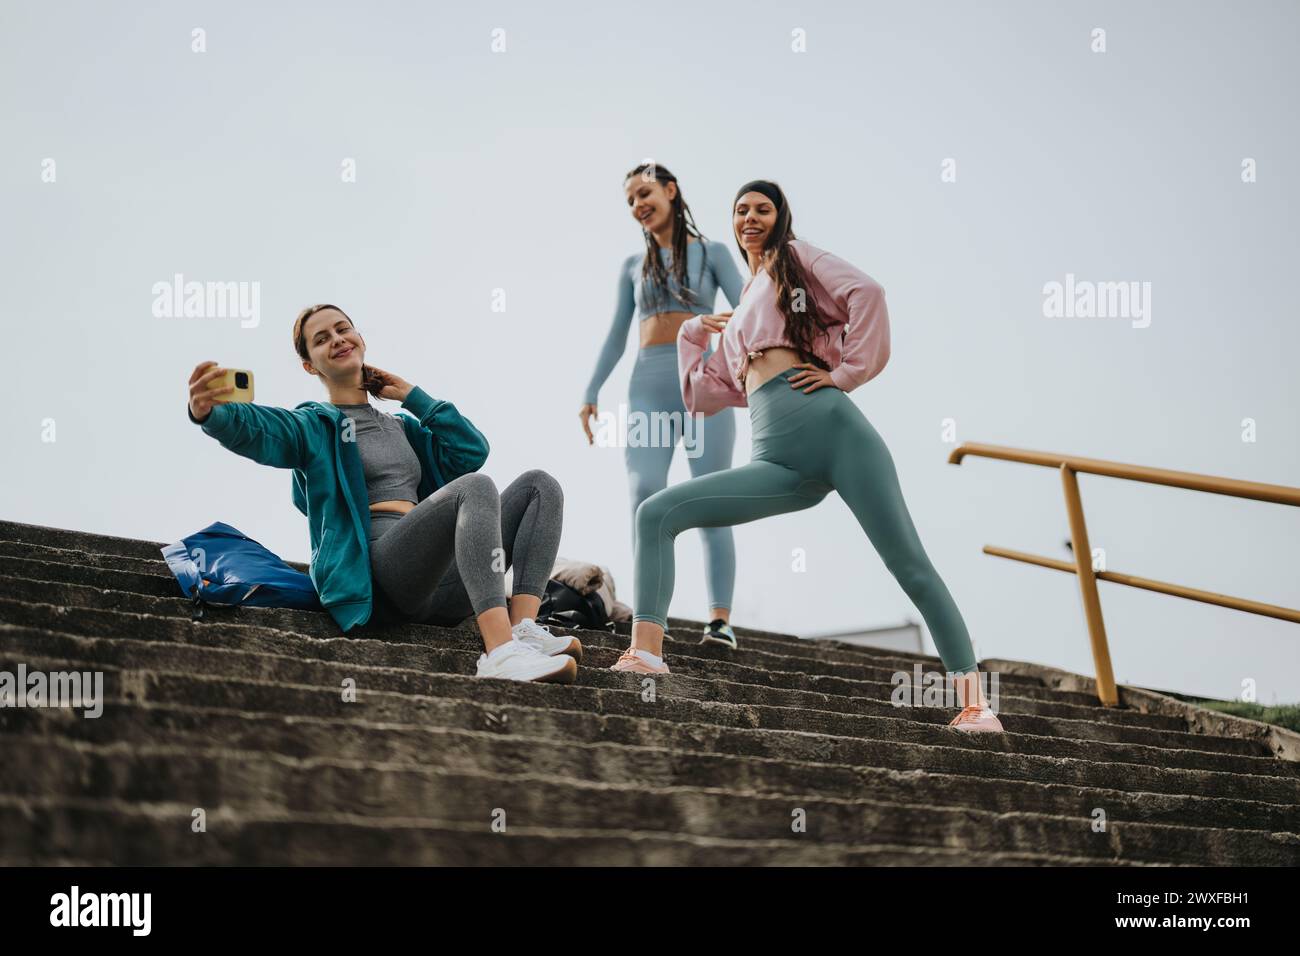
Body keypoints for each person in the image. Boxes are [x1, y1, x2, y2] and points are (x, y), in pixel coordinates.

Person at [610, 181, 1005, 733]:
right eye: (741, 210)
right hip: (780, 461)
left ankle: (976, 706)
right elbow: (701, 397)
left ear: (780, 216)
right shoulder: (741, 307)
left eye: (762, 208)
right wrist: (694, 333)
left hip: (835, 431)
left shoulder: (793, 259)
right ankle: (647, 655)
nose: (751, 217)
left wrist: (844, 375)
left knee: (910, 565)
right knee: (656, 513)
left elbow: (868, 292)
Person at [186, 303, 580, 683]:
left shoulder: (402, 427)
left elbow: (471, 451)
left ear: (360, 338)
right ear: (310, 365)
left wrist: (411, 395)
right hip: (384, 576)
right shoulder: (316, 425)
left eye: (343, 329)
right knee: (475, 489)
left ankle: (523, 629)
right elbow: (264, 430)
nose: (337, 339)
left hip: (440, 582)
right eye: (321, 339)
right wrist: (212, 414)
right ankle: (500, 652)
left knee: (539, 486)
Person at [579, 163, 748, 649]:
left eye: (645, 193)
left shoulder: (713, 251)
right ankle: (652, 615)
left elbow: (746, 309)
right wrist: (590, 390)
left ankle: (720, 621)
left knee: (712, 498)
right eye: (630, 200)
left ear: (671, 191)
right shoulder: (632, 266)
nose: (638, 206)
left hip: (705, 382)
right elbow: (616, 335)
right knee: (646, 491)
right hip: (648, 384)